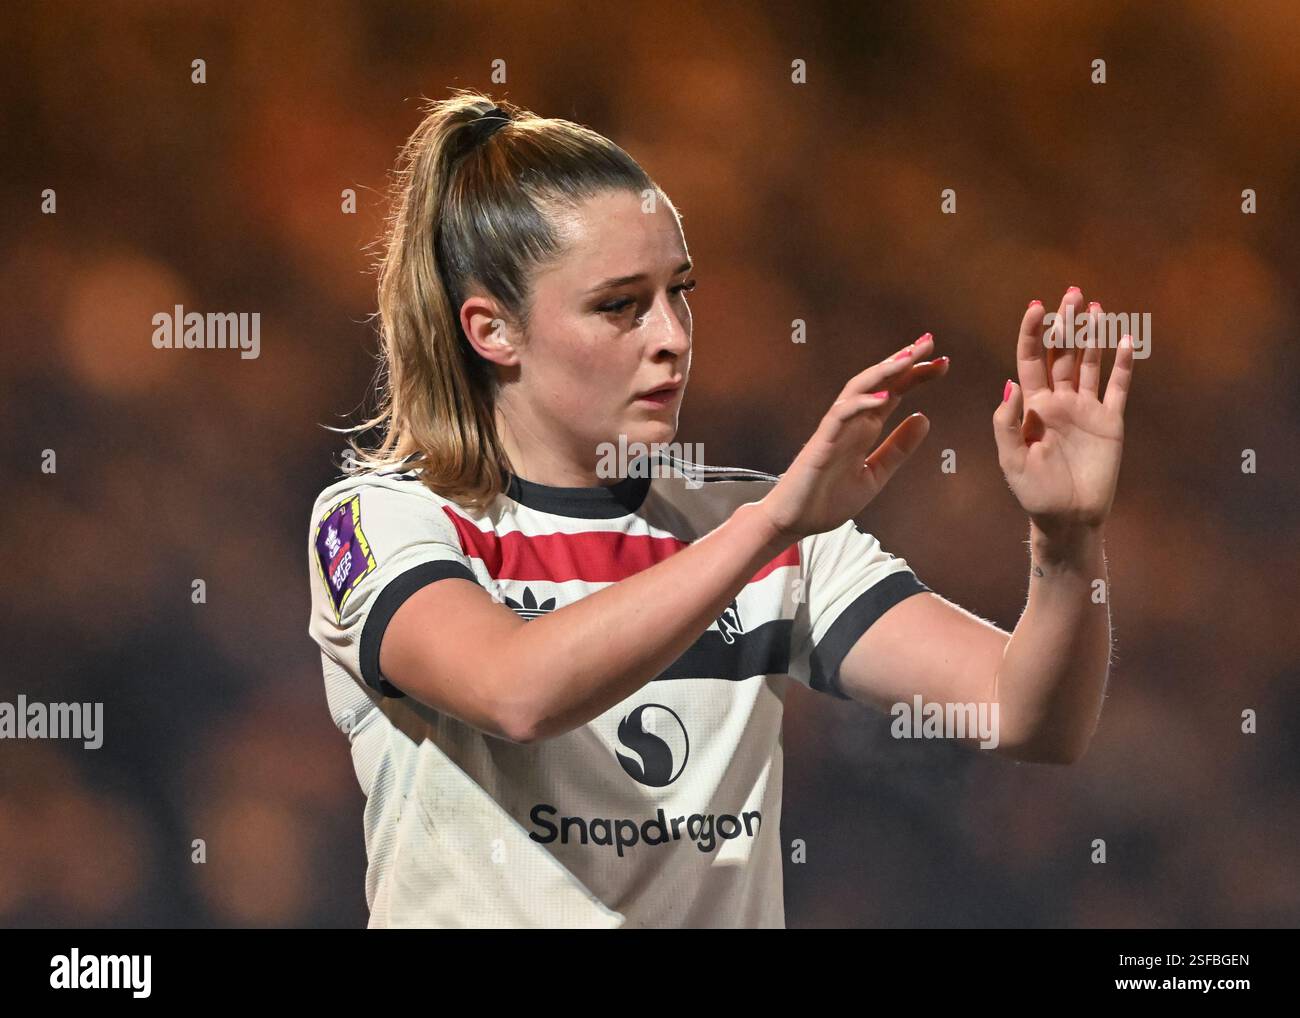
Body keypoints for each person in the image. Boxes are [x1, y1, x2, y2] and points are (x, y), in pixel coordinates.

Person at [306, 91, 1135, 928]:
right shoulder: (384, 520)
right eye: (619, 304)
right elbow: (517, 693)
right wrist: (768, 529)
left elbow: (1030, 716)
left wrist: (1066, 542)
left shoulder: (763, 528)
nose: (671, 333)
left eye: (680, 290)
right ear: (493, 331)